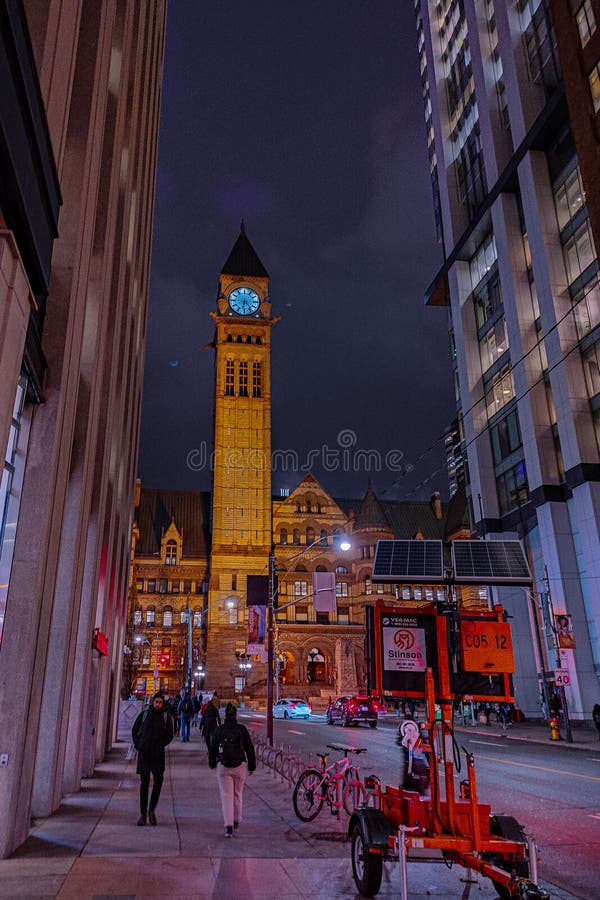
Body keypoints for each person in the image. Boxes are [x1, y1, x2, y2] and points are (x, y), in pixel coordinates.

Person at [208, 702, 256, 837]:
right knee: (237, 794)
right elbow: (249, 748)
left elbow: (212, 748)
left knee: (226, 795)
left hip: (223, 766)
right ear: (236, 715)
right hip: (240, 765)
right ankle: (236, 821)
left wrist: (212, 763)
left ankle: (228, 826)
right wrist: (252, 766)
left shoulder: (220, 729)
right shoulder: (242, 729)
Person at [131, 691, 174, 826]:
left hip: (157, 753)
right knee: (144, 783)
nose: (158, 704)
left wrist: (161, 743)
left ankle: (151, 810)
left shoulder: (166, 716)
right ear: (153, 702)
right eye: (156, 702)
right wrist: (139, 744)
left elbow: (170, 735)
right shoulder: (144, 714)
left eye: (160, 702)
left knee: (158, 782)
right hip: (144, 753)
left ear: (163, 703)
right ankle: (143, 814)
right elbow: (134, 730)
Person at [397, 718, 430, 796]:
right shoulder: (407, 738)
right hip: (412, 767)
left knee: (416, 791)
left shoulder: (417, 738)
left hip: (416, 768)